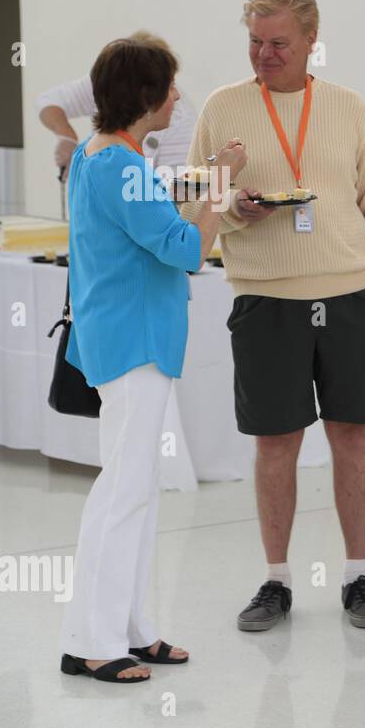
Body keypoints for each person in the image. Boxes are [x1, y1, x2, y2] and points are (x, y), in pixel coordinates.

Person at [179, 0, 365, 632]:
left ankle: (359, 576)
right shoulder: (223, 109)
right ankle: (276, 582)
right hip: (266, 300)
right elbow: (194, 203)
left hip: (351, 297)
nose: (264, 54)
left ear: (311, 41)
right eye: (255, 40)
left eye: (278, 43)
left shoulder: (348, 108)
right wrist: (236, 214)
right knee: (276, 444)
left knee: (354, 439)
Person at [59, 34, 247, 682]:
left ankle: (129, 628)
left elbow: (155, 196)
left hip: (122, 340)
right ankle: (92, 640)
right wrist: (222, 192)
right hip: (135, 343)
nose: (177, 97)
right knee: (124, 492)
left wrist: (207, 171)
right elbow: (186, 247)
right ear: (146, 96)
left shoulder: (98, 155)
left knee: (134, 490)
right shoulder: (125, 167)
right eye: (169, 86)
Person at [37, 35, 199, 181]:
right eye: (169, 86)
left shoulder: (87, 156)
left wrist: (208, 188)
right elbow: (49, 101)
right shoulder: (121, 163)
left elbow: (168, 189)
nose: (176, 95)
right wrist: (66, 136)